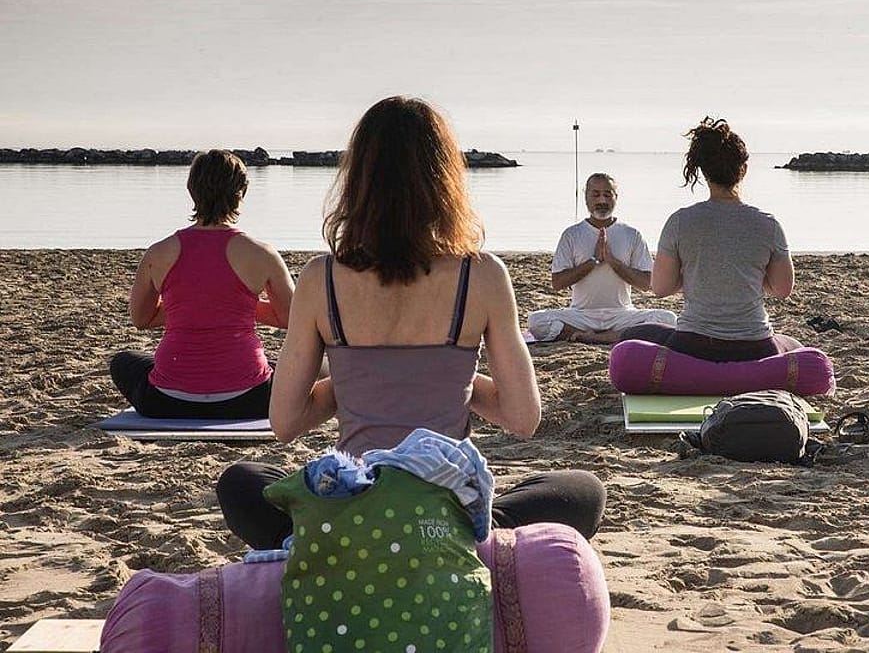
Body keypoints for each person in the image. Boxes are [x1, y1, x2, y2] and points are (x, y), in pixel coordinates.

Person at [217, 96, 605, 550]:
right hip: (443, 515)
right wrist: (449, 382)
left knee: (241, 483)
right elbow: (522, 417)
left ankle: (330, 540)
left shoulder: (321, 277)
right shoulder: (481, 274)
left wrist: (364, 383)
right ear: (445, 178)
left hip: (355, 509)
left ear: (358, 178)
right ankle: (464, 541)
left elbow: (285, 421)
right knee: (583, 491)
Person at [108, 149, 293, 419]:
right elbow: (290, 317)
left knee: (123, 362)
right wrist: (234, 304)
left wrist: (197, 304)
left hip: (166, 400)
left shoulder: (159, 253)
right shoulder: (261, 254)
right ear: (241, 193)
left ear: (192, 190)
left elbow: (141, 318)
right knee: (305, 368)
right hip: (250, 400)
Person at [620, 117, 798, 362]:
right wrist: (746, 276)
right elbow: (782, 289)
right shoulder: (768, 225)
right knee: (794, 344)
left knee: (633, 334)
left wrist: (700, 275)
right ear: (743, 169)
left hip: (693, 345)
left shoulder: (680, 221)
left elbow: (660, 288)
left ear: (704, 172)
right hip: (755, 346)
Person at [526, 173, 676, 344]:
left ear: (616, 197)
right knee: (536, 321)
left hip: (621, 314)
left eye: (607, 194)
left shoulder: (631, 234)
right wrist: (592, 261)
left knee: (667, 318)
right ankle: (594, 334)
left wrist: (613, 262)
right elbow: (557, 282)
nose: (602, 201)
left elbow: (646, 283)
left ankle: (598, 337)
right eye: (596, 194)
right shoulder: (572, 234)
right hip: (582, 315)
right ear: (586, 198)